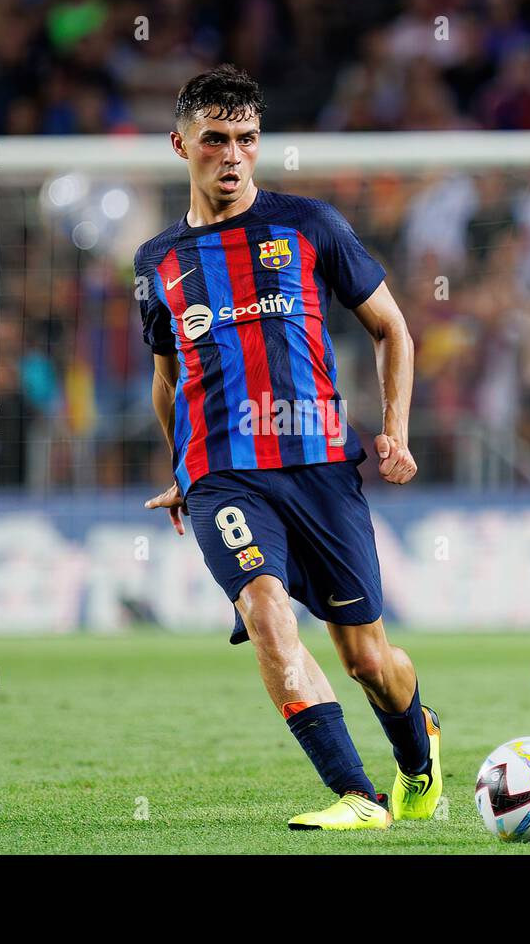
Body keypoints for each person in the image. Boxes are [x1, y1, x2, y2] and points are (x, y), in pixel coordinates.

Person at [136, 65, 440, 830]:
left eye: (245, 139)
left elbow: (393, 329)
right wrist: (180, 468)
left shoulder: (310, 225)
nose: (232, 155)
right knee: (267, 613)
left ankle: (418, 750)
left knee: (368, 659)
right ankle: (358, 797)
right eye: (215, 140)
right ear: (182, 145)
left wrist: (396, 429)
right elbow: (167, 379)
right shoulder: (157, 263)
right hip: (223, 477)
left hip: (319, 469)